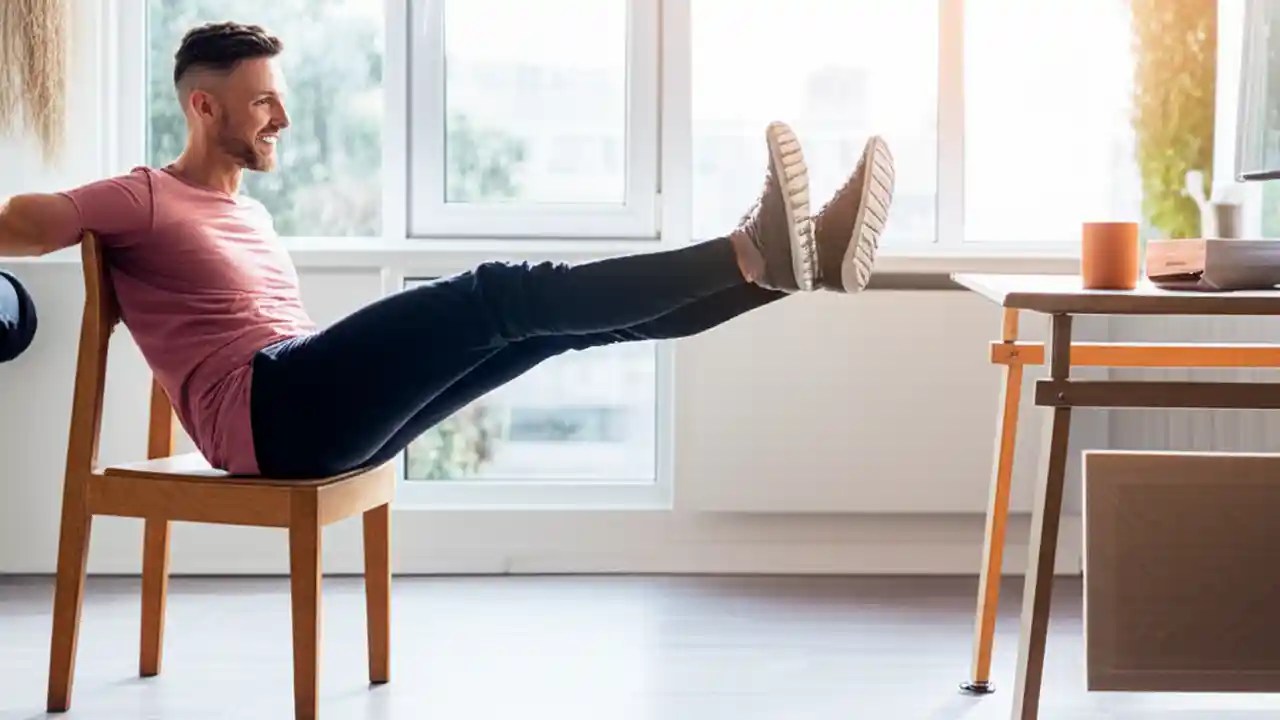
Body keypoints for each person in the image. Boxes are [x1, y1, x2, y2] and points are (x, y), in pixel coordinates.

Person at [0, 22, 894, 479]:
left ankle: (788, 269)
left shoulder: (252, 216)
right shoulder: (145, 196)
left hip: (308, 407)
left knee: (547, 331)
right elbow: (29, 220)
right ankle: (755, 247)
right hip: (271, 414)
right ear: (203, 107)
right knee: (496, 294)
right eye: (263, 99)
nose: (283, 117)